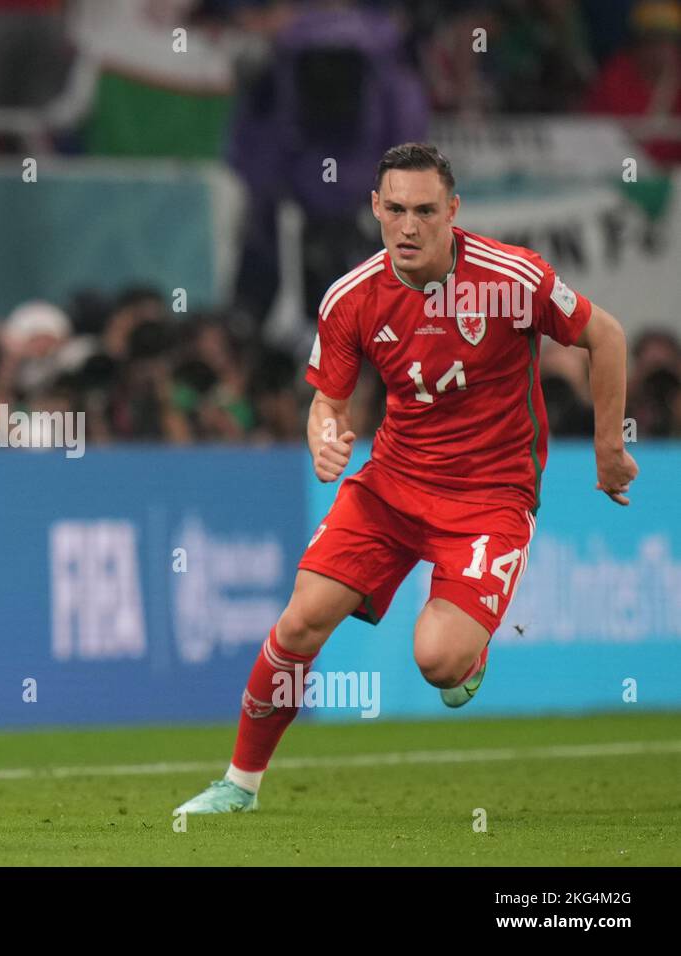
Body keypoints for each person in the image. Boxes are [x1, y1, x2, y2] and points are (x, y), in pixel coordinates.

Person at [175, 143, 637, 815]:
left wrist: (607, 450)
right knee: (302, 617)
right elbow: (328, 403)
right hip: (392, 483)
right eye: (396, 209)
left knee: (438, 661)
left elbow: (608, 336)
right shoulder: (352, 297)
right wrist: (325, 437)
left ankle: (470, 654)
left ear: (453, 211)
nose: (410, 225)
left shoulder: (512, 278)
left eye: (426, 210)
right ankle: (239, 786)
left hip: (490, 496)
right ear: (375, 209)